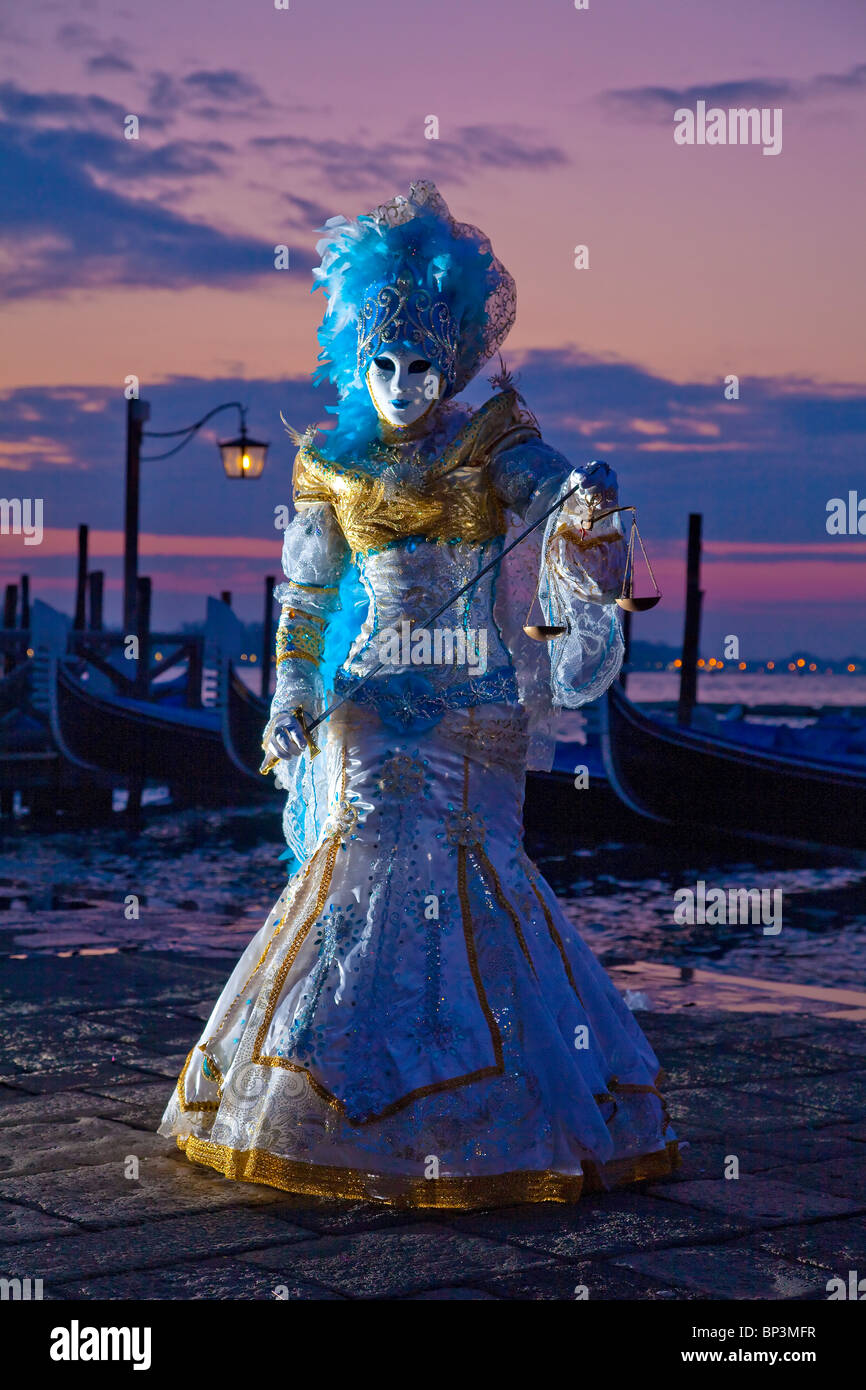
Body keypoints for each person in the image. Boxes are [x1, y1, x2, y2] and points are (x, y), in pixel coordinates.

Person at [159, 180, 678, 1208]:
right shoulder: (329, 464)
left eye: (421, 365)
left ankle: (489, 1104)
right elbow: (306, 600)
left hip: (469, 703)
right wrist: (288, 697)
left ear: (452, 364)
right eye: (383, 365)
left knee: (478, 867)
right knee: (355, 874)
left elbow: (563, 514)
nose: (401, 385)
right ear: (359, 361)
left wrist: (591, 509)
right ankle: (339, 1092)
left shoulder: (493, 445)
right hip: (362, 702)